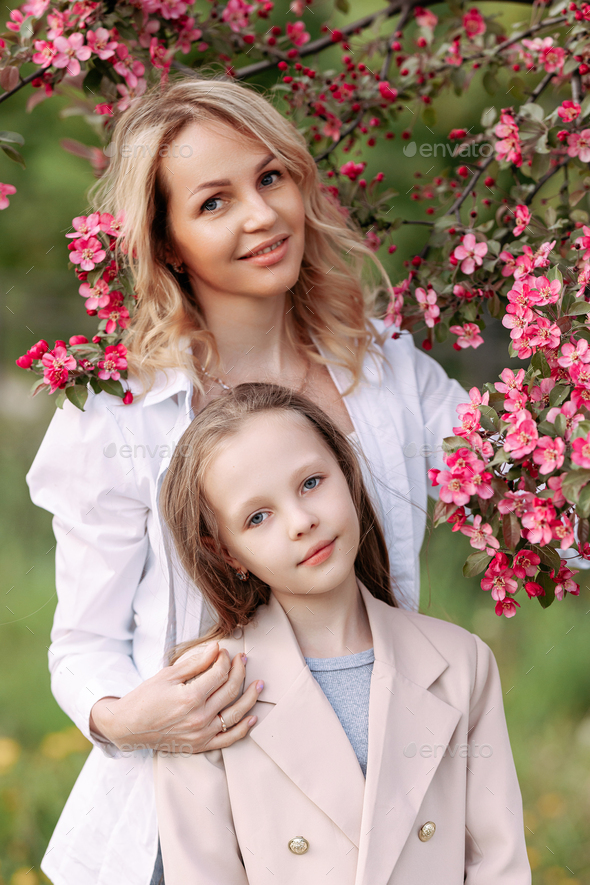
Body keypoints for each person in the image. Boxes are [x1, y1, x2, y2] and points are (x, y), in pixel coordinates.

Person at [25, 72, 468, 885]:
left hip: (368, 797)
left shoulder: (388, 369)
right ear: (166, 243)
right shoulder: (118, 416)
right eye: (214, 202)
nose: (262, 216)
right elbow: (82, 642)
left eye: (270, 177)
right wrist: (126, 716)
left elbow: (531, 505)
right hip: (190, 811)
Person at [153, 381, 531, 885]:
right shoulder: (205, 691)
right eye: (258, 517)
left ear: (346, 473)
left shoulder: (461, 662)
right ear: (226, 553)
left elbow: (498, 863)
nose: (302, 521)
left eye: (311, 483)